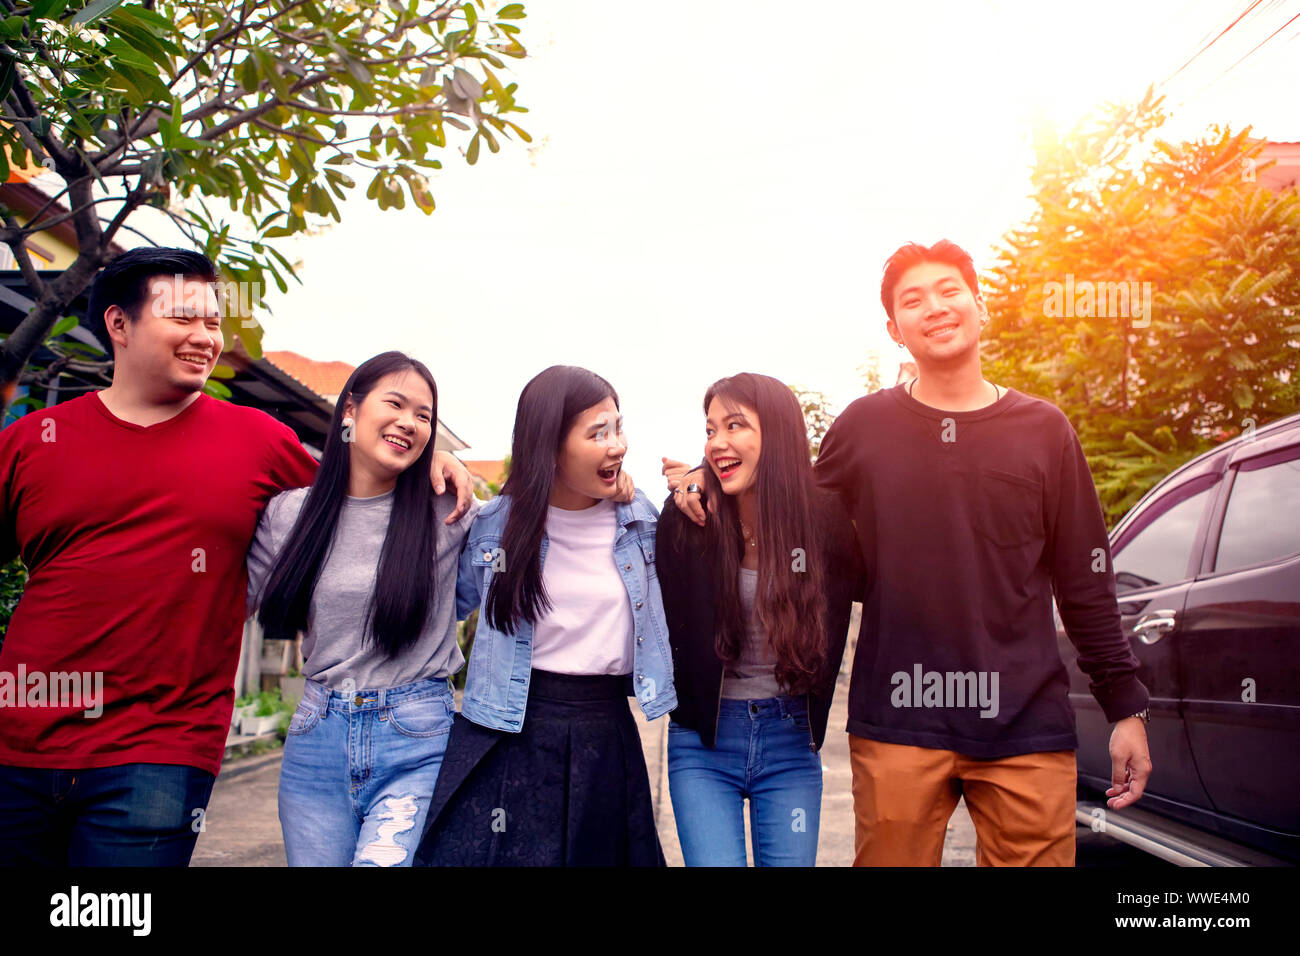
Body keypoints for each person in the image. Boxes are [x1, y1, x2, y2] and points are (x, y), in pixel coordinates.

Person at [668, 240, 1152, 867]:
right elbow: (792, 507)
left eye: (950, 291)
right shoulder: (864, 427)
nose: (936, 308)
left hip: (1025, 724)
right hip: (897, 719)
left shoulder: (1045, 431)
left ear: (981, 306)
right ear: (895, 330)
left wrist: (1126, 706)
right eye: (913, 300)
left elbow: (1085, 583)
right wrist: (709, 477)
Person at [0, 248, 474, 866]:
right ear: (119, 324)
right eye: (185, 319)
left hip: (160, 748)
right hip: (19, 740)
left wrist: (427, 455)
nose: (205, 337)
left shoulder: (256, 440)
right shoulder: (34, 440)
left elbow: (354, 492)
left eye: (214, 322)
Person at [414, 365, 675, 866]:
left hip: (605, 735)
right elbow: (438, 611)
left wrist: (695, 482)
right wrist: (437, 458)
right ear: (549, 446)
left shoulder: (641, 520)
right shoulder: (494, 526)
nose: (617, 445)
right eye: (598, 433)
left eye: (618, 427)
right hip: (508, 728)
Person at [246, 352, 478, 866]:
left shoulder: (451, 512)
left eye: (424, 416)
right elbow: (228, 601)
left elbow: (531, 526)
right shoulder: (290, 515)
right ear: (350, 409)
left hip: (415, 739)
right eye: (394, 404)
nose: (409, 423)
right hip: (315, 742)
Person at [655, 373, 861, 866]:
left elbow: (879, 582)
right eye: (709, 431)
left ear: (780, 435)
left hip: (791, 742)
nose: (717, 443)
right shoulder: (690, 518)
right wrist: (692, 481)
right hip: (704, 742)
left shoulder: (825, 523)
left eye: (735, 425)